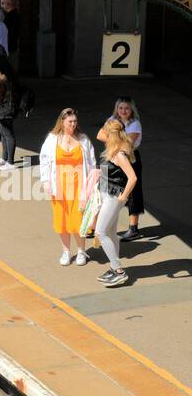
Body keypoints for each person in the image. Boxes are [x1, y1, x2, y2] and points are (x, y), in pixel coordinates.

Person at [39, 108, 98, 267]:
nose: (73, 124)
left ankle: (81, 251)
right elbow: (44, 160)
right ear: (62, 122)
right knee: (62, 221)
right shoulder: (52, 139)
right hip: (59, 187)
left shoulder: (83, 140)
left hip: (80, 187)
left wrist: (92, 186)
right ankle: (66, 252)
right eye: (70, 121)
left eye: (75, 121)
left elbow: (92, 164)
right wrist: (45, 181)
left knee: (78, 221)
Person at [91, 120, 138, 287]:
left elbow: (133, 178)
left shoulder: (119, 154)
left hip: (113, 198)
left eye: (107, 131)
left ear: (112, 135)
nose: (103, 133)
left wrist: (123, 197)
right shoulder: (112, 148)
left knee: (101, 233)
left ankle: (119, 271)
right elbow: (99, 134)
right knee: (111, 234)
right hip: (105, 194)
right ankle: (114, 267)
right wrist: (110, 122)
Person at [98, 98, 145, 241]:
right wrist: (117, 138)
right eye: (120, 108)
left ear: (132, 110)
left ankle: (133, 228)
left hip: (129, 157)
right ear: (116, 109)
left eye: (127, 108)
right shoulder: (112, 119)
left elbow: (128, 144)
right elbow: (100, 134)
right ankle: (98, 224)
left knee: (132, 191)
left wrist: (112, 137)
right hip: (111, 154)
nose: (123, 111)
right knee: (105, 187)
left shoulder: (135, 124)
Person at [0, 69, 17, 171]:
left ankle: (10, 162)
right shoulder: (4, 77)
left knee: (8, 135)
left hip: (5, 111)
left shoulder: (2, 78)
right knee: (3, 134)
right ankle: (4, 158)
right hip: (1, 109)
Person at [2, 0, 21, 70]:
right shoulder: (16, 15)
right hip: (13, 45)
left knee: (9, 67)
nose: (2, 5)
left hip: (9, 46)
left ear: (8, 4)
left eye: (4, 3)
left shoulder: (9, 18)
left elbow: (8, 33)